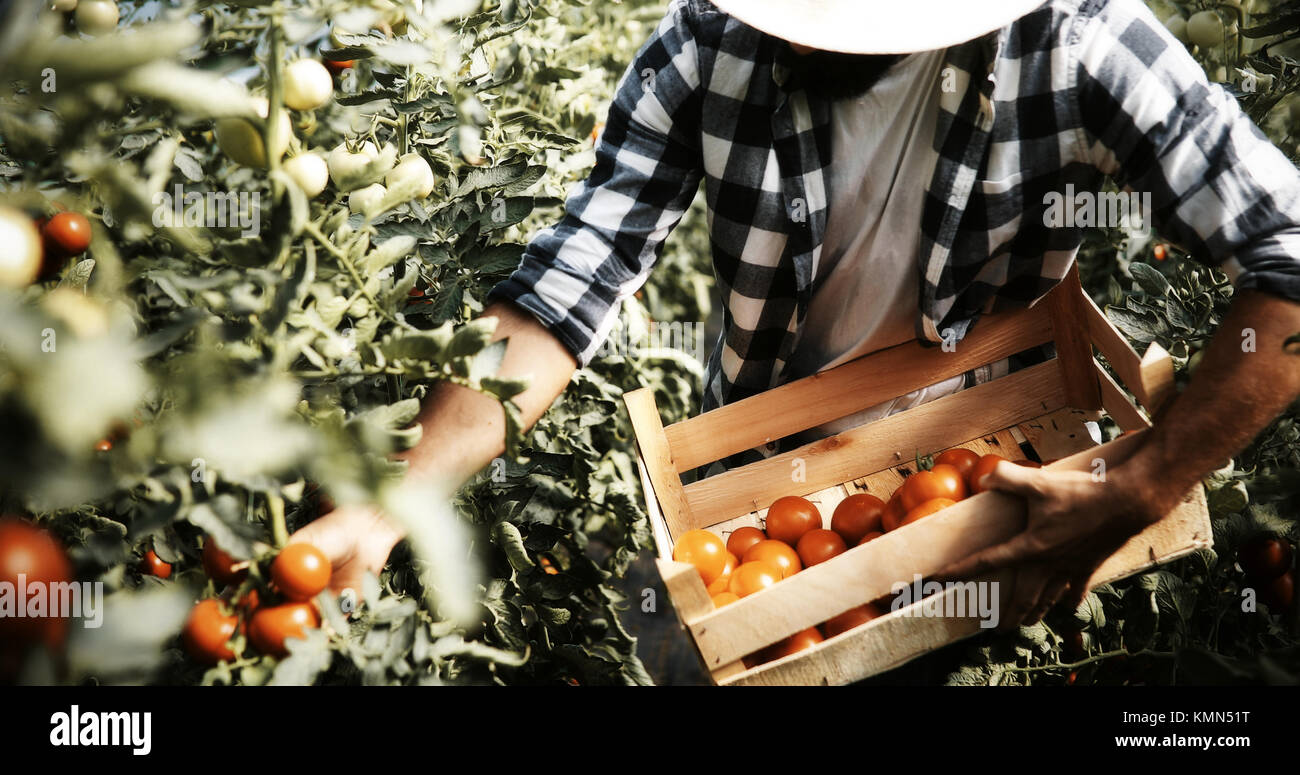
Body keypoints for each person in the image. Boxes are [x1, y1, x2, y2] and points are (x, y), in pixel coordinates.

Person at [293, 0, 1300, 631]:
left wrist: (1143, 484)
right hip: (756, 487)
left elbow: (1288, 264)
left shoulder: (1079, 45)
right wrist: (396, 504)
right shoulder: (706, 47)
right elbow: (564, 292)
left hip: (985, 494)